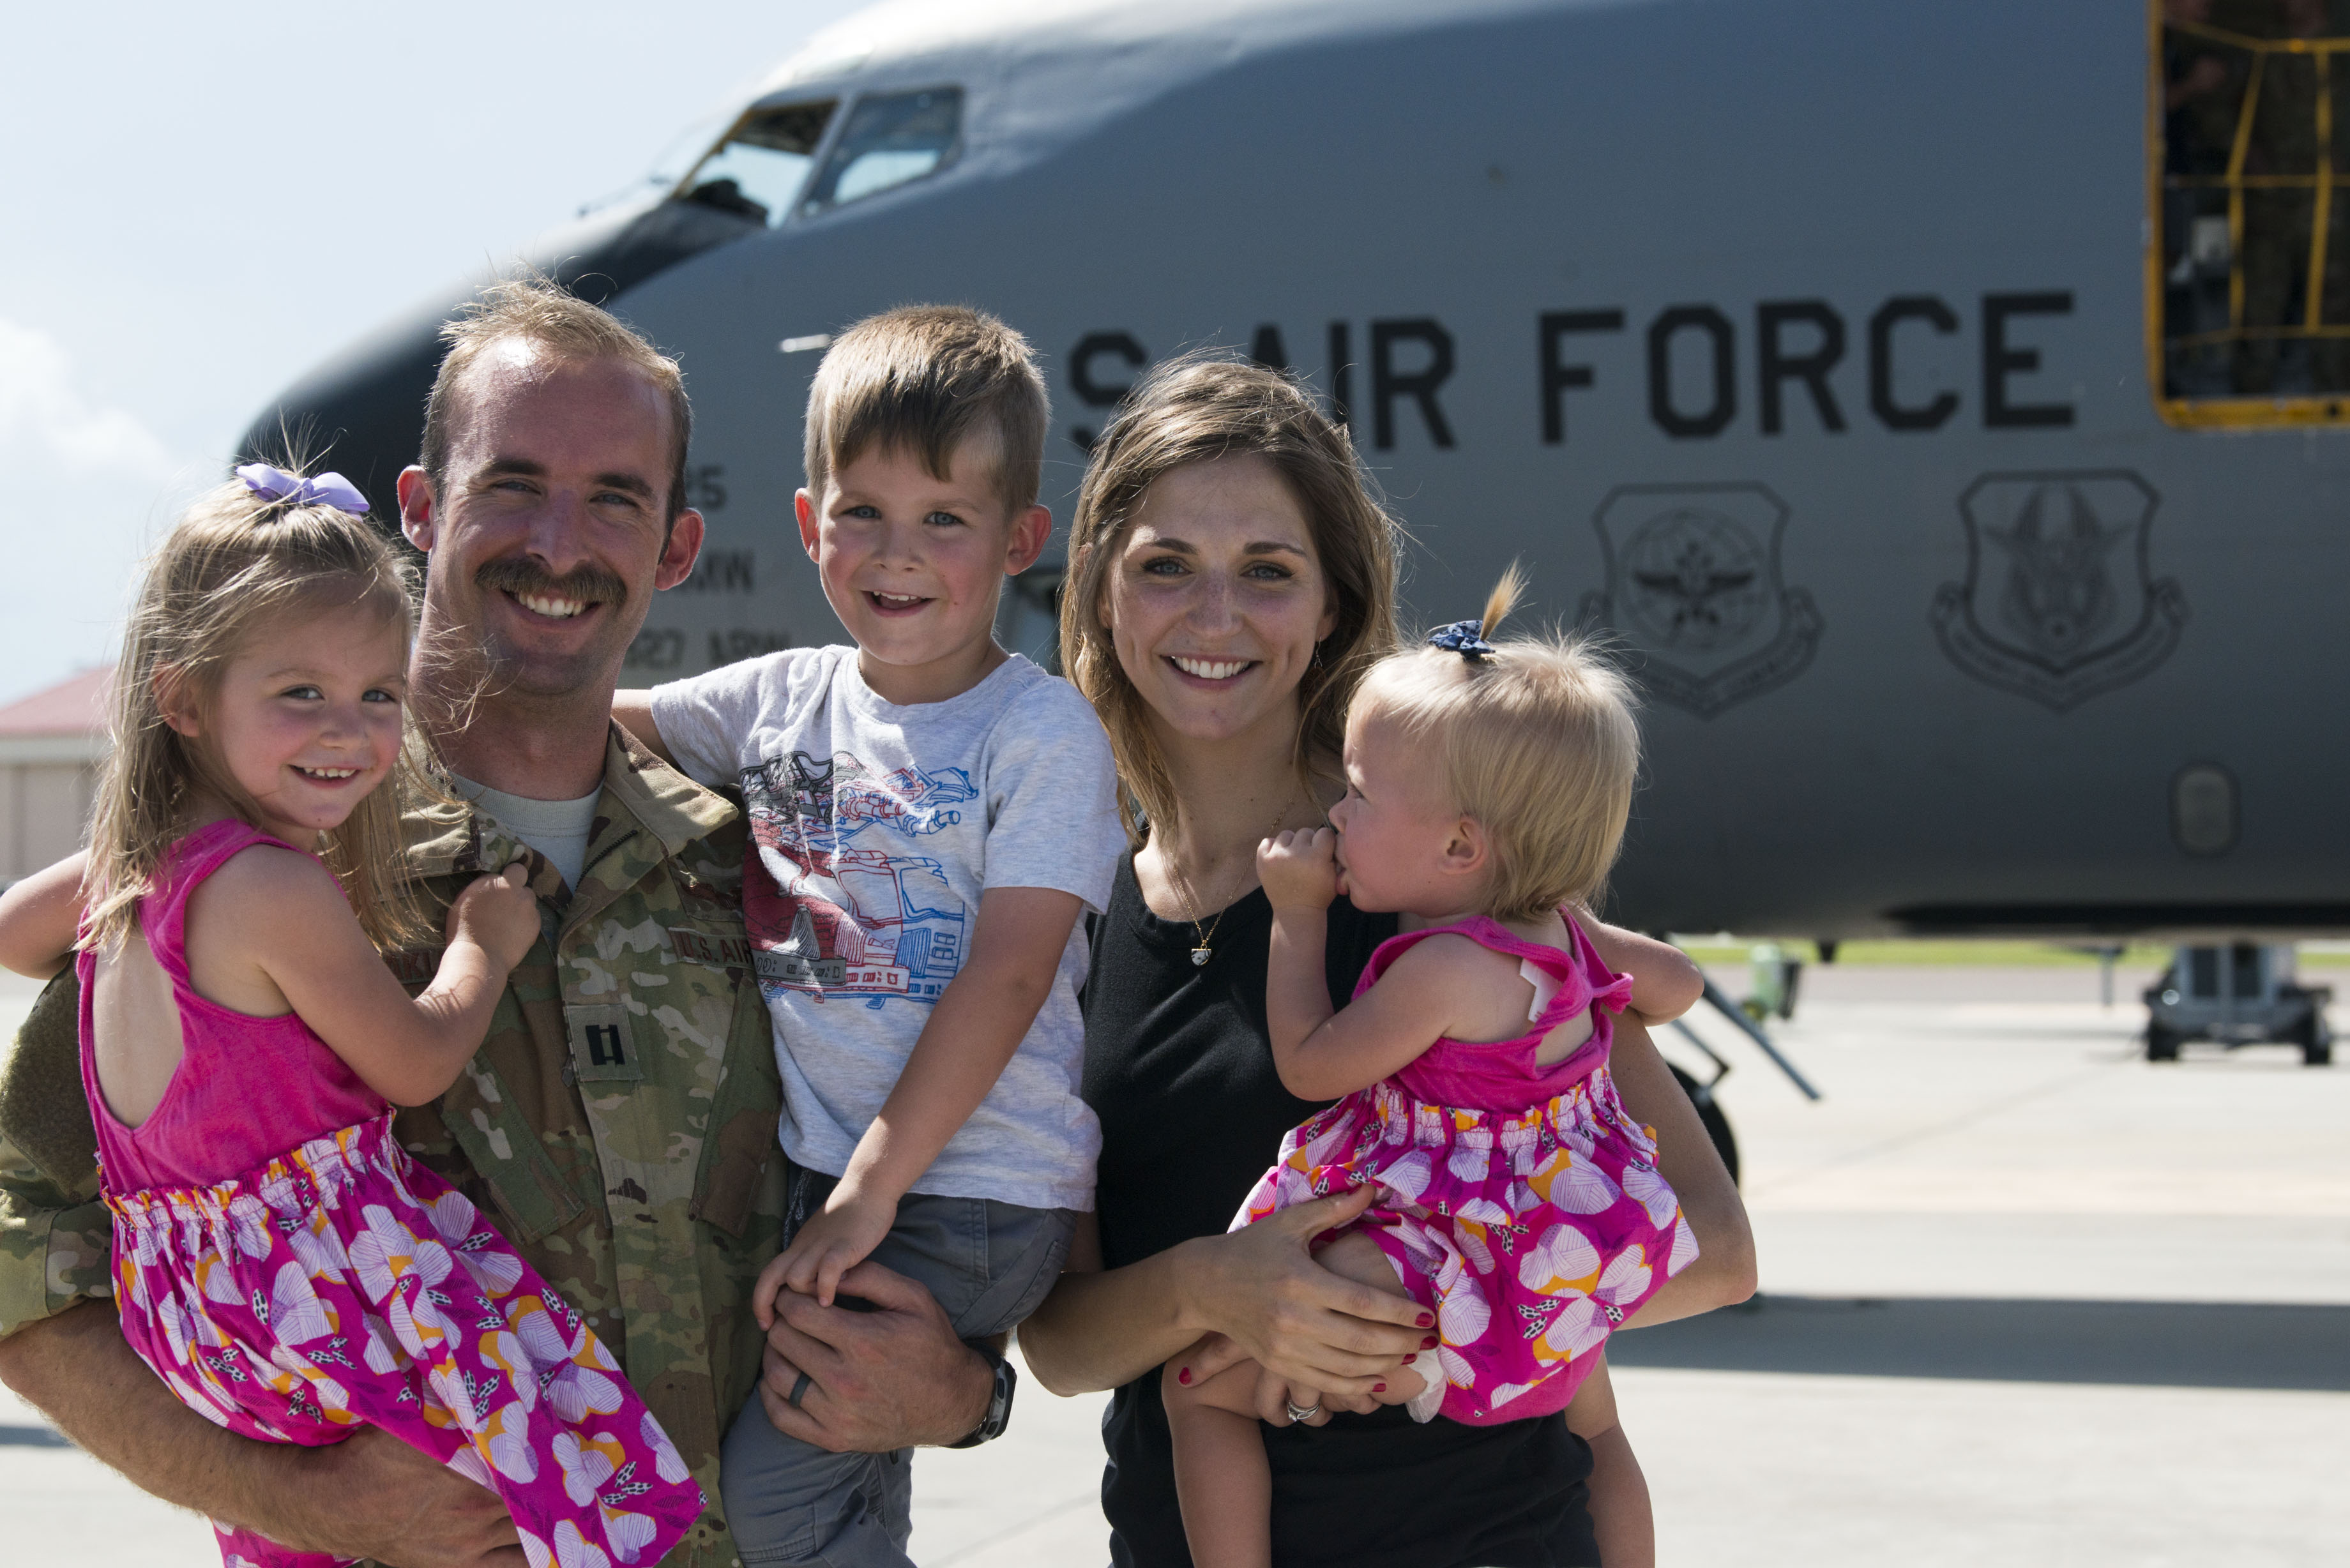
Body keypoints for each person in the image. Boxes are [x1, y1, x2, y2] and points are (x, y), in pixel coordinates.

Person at [0, 280, 997, 1568]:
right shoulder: (253, 880)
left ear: (676, 547)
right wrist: (302, 1502)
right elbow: (23, 1270)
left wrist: (964, 1393)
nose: (559, 543)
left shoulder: (775, 864)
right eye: (513, 483)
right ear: (423, 509)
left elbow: (979, 1182)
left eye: (617, 499)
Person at [1004, 354, 1756, 1568]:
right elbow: (1061, 1347)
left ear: (1333, 607)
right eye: (1165, 565)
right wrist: (1217, 1289)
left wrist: (1405, 1325)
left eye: (1268, 570)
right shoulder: (1067, 920)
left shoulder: (1443, 889)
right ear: (1097, 592)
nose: (1214, 613)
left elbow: (1716, 1251)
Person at [0, 465, 705, 1568]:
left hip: (197, 1316)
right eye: (301, 693)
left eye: (380, 694)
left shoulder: (136, 881)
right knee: (567, 1501)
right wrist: (482, 944)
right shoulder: (273, 888)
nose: (352, 731)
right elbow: (415, 1063)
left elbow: (11, 931)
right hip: (327, 1296)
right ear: (182, 701)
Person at [612, 305, 1126, 1564]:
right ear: (809, 524)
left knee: (782, 1487)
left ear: (1020, 541)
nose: (898, 554)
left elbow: (1010, 974)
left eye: (945, 519)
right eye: (863, 513)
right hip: (838, 1180)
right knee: (832, 1481)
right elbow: (582, 724)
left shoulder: (1042, 734)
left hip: (964, 1189)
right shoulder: (777, 700)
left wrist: (866, 1193)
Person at [1160, 567, 1697, 1568]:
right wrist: (1602, 976)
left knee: (1196, 1390)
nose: (1337, 811)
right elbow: (1678, 984)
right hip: (1557, 1261)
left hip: (1449, 1268)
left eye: (1360, 796)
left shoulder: (1443, 969)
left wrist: (1296, 914)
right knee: (1597, 1431)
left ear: (1459, 846)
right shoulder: (1568, 940)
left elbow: (1313, 1066)